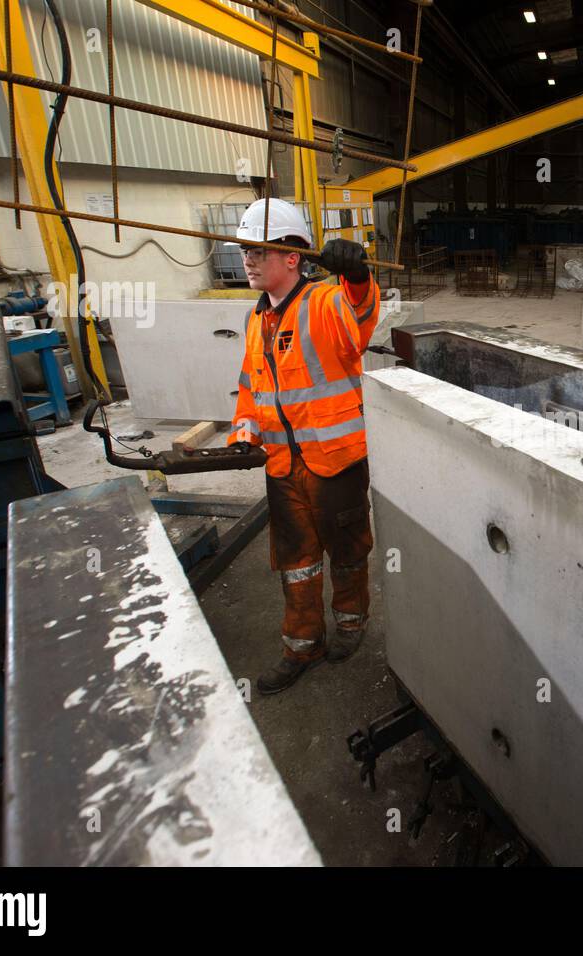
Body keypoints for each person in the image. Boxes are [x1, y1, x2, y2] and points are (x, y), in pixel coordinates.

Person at [226, 198, 380, 694]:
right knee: (296, 561)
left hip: (335, 462)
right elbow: (252, 386)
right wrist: (244, 433)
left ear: (293, 257)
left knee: (349, 553)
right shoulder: (257, 319)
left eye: (257, 251)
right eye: (244, 251)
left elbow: (359, 313)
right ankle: (302, 645)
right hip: (282, 468)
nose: (246, 260)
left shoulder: (325, 303)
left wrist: (357, 275)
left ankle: (351, 625)